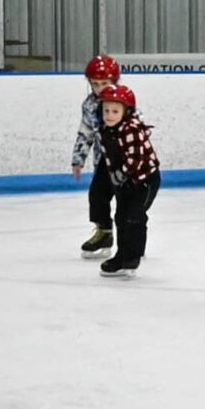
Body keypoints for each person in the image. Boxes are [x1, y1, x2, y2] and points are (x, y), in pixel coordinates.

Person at [93, 83, 161, 278]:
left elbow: (136, 159)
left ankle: (133, 256)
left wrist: (121, 174)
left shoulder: (131, 129)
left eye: (115, 111)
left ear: (126, 111)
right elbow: (108, 155)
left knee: (134, 216)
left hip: (144, 179)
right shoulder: (105, 130)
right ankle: (121, 255)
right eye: (106, 110)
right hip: (125, 180)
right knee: (121, 217)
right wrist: (114, 175)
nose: (109, 115)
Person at [71, 54, 122, 257]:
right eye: (95, 83)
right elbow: (86, 133)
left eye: (104, 83)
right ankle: (104, 232)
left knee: (127, 205)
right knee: (97, 196)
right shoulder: (89, 106)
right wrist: (78, 159)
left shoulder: (123, 102)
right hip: (103, 163)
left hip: (125, 162)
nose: (99, 88)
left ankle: (132, 243)